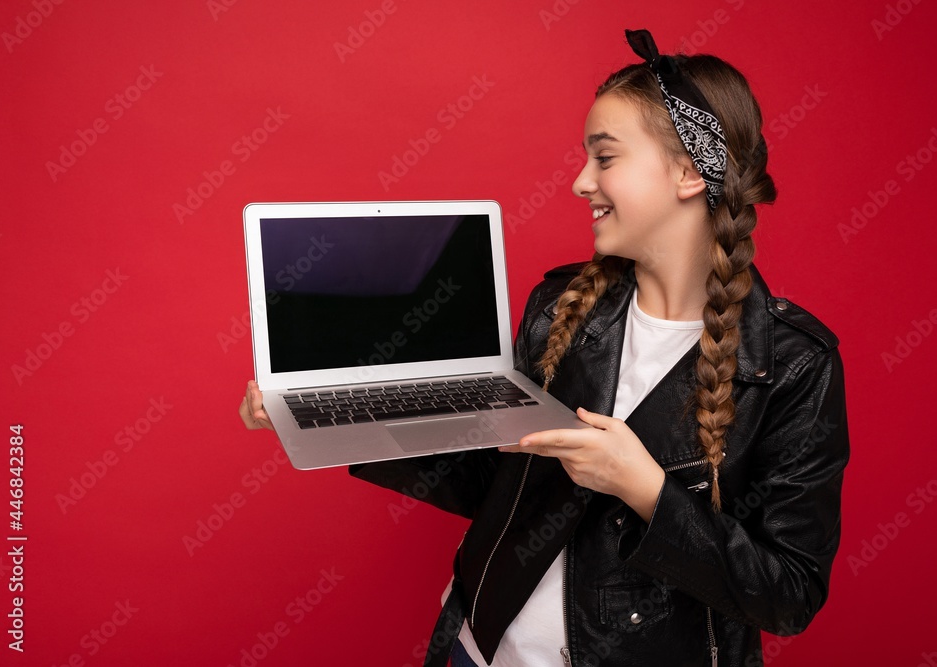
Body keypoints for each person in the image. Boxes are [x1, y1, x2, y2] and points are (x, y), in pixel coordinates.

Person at [240, 28, 849, 667]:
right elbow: (492, 484)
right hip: (476, 651)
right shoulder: (560, 307)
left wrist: (643, 488)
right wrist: (331, 420)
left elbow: (789, 595)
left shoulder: (793, 364)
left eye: (605, 157)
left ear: (690, 172)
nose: (581, 183)